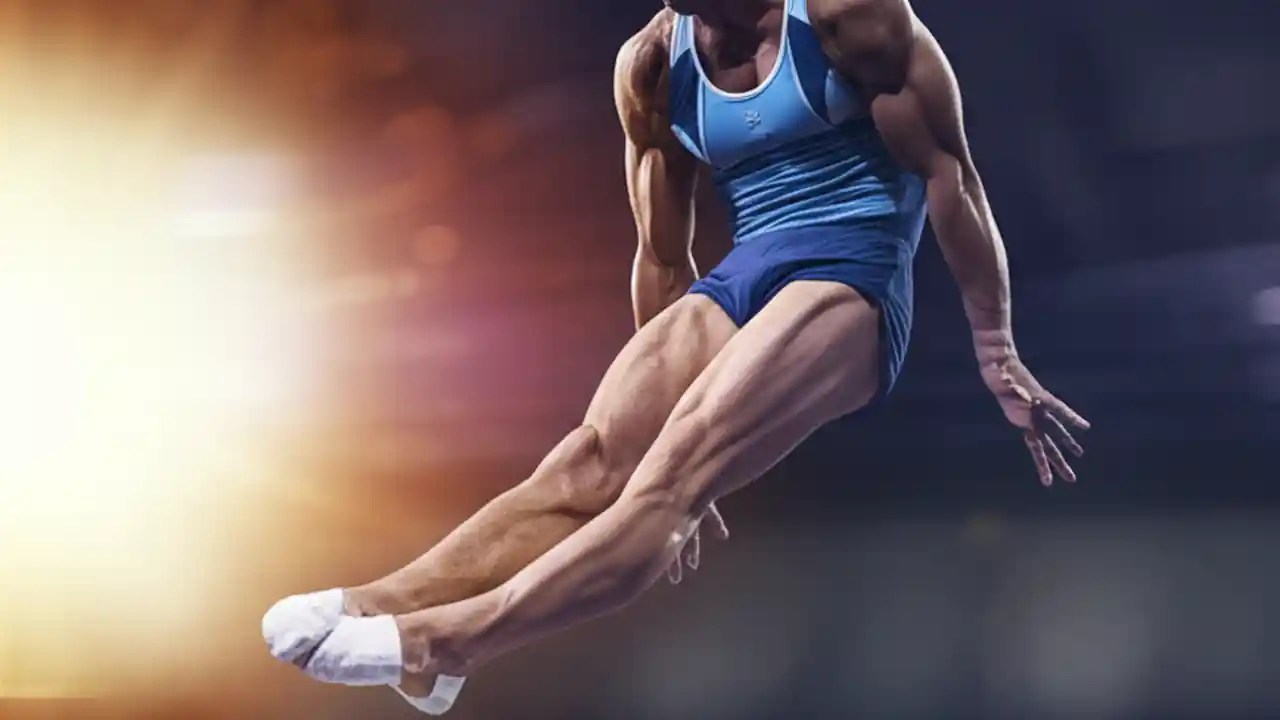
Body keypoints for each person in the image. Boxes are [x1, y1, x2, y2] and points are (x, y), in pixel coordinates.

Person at [262, 0, 1090, 713]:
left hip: (854, 272)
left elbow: (951, 176)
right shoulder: (652, 64)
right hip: (744, 272)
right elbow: (662, 254)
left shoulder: (847, 17)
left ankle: (447, 643)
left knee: (673, 478)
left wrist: (994, 344)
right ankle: (381, 600)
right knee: (590, 464)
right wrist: (660, 408)